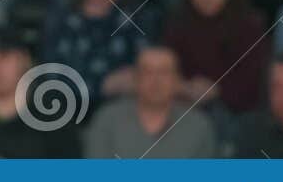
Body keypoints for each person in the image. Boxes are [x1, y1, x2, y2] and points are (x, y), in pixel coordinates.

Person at [82, 46, 218, 159]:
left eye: (164, 72)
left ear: (177, 81)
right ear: (135, 80)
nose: (155, 80)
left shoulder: (199, 125)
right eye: (147, 72)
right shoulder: (107, 120)